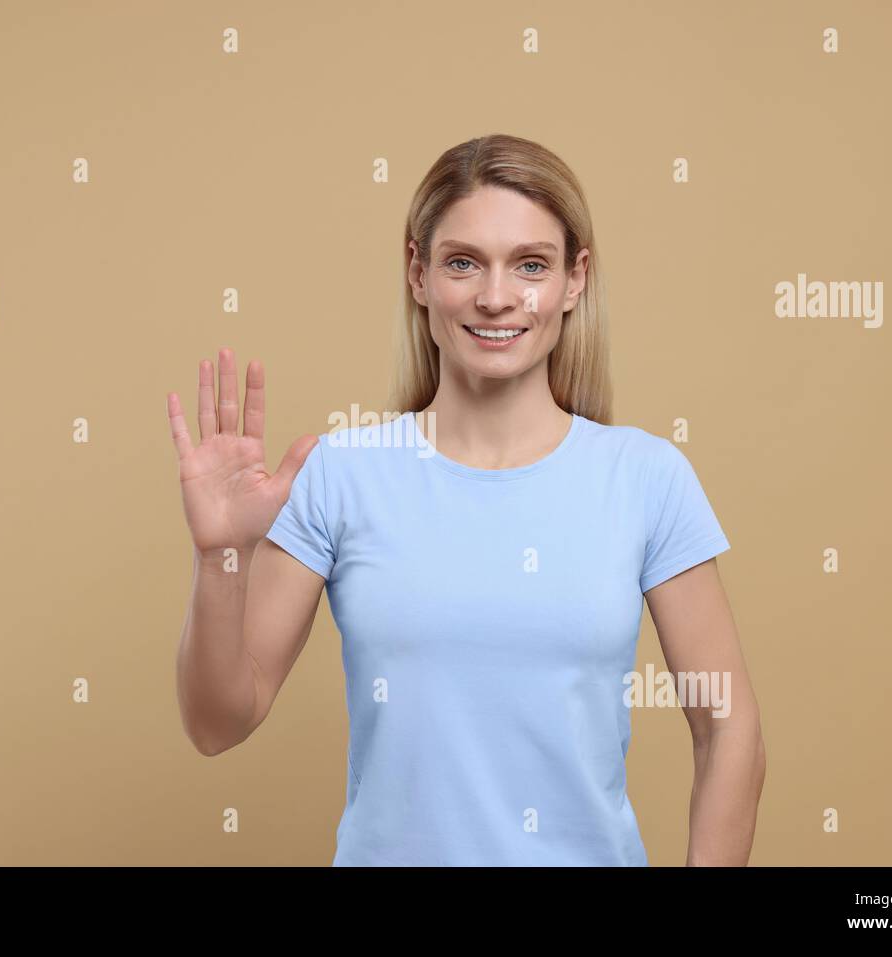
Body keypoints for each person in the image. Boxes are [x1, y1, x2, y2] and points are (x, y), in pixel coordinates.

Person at [169, 133, 765, 866]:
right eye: (462, 262)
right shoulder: (340, 474)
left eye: (531, 265)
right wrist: (220, 555)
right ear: (418, 274)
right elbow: (216, 723)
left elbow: (727, 726)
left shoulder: (646, 477)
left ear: (576, 280)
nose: (494, 295)